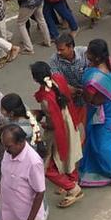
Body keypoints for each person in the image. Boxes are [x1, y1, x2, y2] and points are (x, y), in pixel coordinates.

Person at [30, 62, 83, 207]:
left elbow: (53, 123)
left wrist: (44, 124)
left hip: (59, 130)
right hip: (69, 122)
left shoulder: (46, 99)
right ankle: (73, 180)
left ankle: (72, 189)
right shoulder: (58, 78)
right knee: (71, 153)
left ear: (35, 79)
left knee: (47, 167)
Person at [79, 39, 111, 187]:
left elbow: (91, 100)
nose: (86, 54)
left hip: (109, 111)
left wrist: (82, 92)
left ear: (96, 57)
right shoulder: (106, 62)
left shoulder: (93, 78)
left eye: (89, 52)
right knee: (100, 140)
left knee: (105, 145)